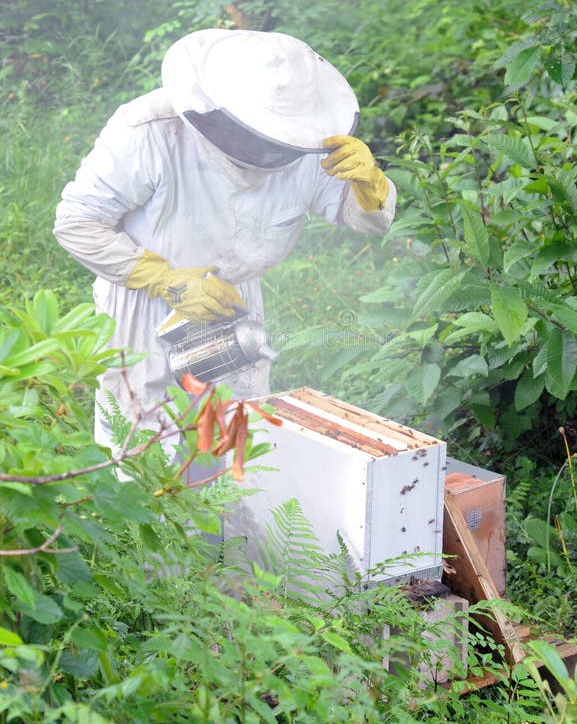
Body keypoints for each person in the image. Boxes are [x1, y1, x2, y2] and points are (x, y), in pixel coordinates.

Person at [54, 29, 397, 458]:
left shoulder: (305, 141)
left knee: (238, 433)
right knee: (140, 442)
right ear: (221, 111)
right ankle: (142, 523)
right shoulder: (150, 130)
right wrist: (167, 280)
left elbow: (365, 219)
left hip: (233, 298)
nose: (264, 150)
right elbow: (76, 221)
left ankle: (226, 523)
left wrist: (370, 183)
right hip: (143, 298)